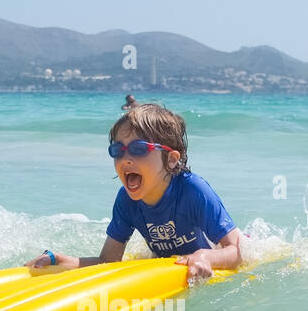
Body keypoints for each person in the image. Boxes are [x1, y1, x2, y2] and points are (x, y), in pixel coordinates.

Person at [28, 102, 242, 279]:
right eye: (118, 151)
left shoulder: (193, 191)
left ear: (171, 160)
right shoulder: (126, 201)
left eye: (139, 149)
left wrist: (205, 256)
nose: (126, 159)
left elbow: (236, 251)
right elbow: (107, 262)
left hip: (211, 254)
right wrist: (59, 260)